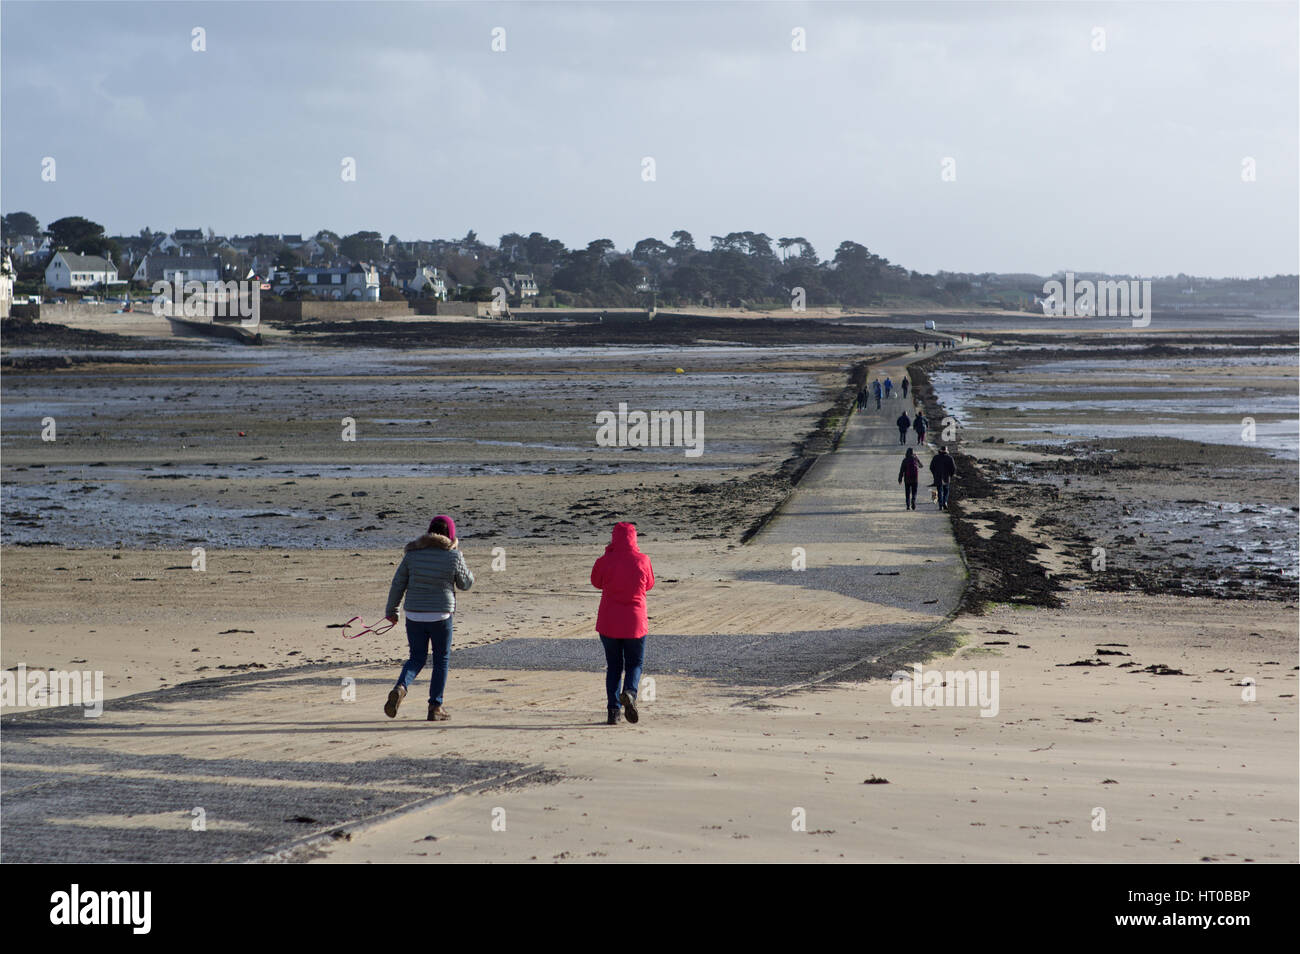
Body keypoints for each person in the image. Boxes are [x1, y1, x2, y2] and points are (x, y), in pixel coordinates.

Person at [384, 515, 474, 722]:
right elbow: (465, 584)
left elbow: (398, 583)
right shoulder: (453, 556)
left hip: (414, 613)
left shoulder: (412, 555)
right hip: (441, 614)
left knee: (416, 657)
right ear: (450, 534)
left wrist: (392, 611)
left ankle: (401, 687)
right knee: (441, 659)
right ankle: (435, 706)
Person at [591, 522, 655, 725]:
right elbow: (650, 584)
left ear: (614, 538)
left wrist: (609, 554)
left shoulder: (604, 560)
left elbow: (596, 582)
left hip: (609, 622)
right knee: (635, 663)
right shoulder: (643, 560)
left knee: (614, 666)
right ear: (634, 538)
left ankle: (613, 711)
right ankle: (630, 692)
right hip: (635, 621)